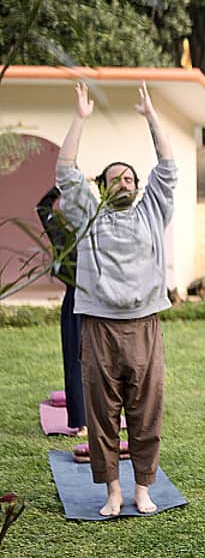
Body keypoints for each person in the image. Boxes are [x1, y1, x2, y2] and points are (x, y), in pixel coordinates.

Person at [55, 82, 176, 516]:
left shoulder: (151, 210)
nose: (123, 183)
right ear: (102, 188)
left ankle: (143, 487)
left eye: (129, 178)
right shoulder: (90, 213)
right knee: (102, 414)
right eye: (114, 179)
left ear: (138, 186)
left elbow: (168, 166)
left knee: (146, 411)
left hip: (146, 324)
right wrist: (81, 118)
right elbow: (65, 172)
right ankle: (113, 491)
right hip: (99, 325)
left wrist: (151, 116)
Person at [35, 185, 86, 436]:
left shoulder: (96, 232)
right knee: (75, 361)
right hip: (75, 301)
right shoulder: (61, 235)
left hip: (99, 302)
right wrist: (61, 186)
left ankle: (97, 416)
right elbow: (43, 207)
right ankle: (81, 421)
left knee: (99, 363)